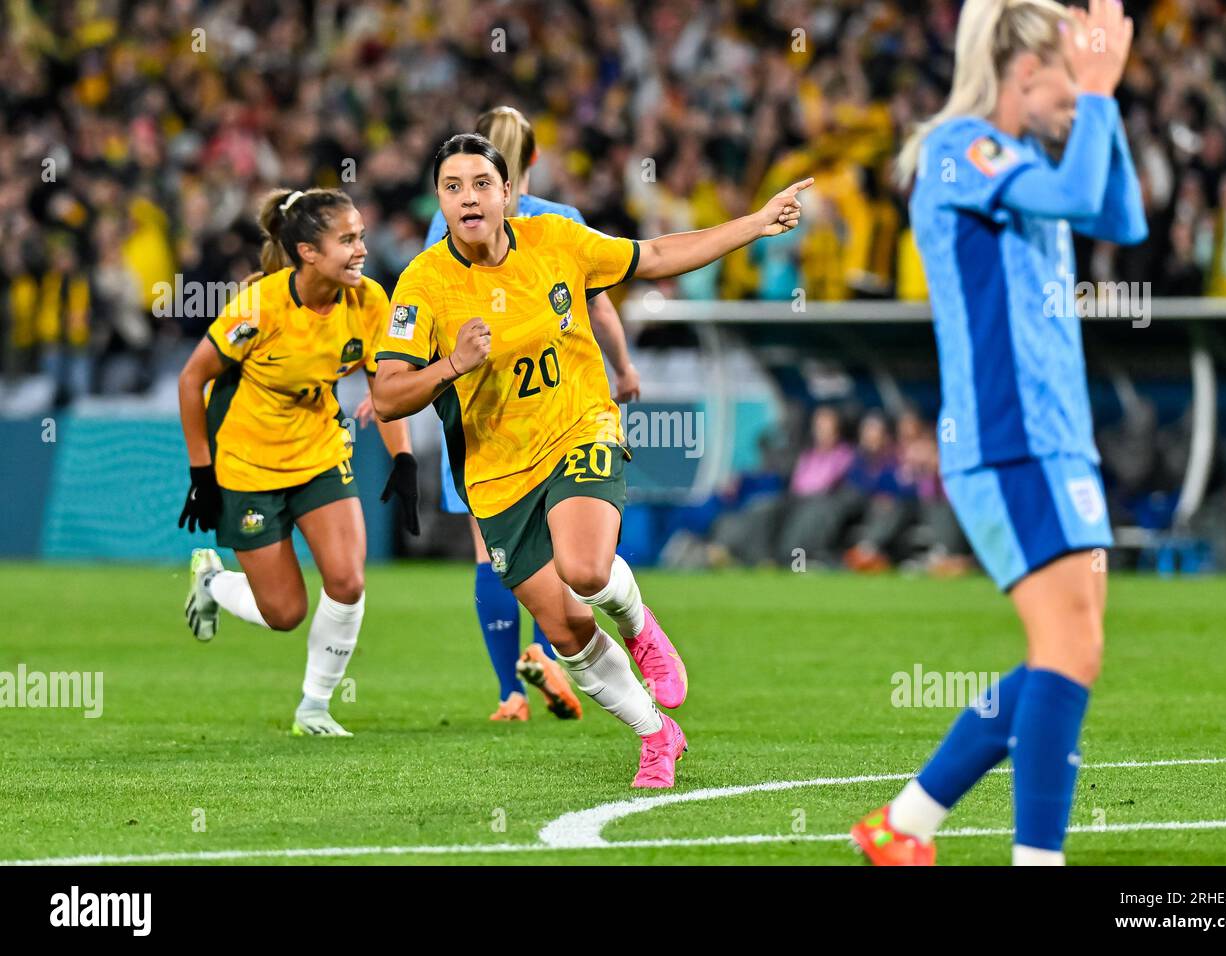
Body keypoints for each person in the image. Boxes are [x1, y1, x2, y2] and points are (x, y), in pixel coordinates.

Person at [371, 132, 810, 787]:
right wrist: (452, 364)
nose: (468, 198)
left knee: (584, 568)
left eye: (481, 184)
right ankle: (655, 734)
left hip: (580, 428)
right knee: (567, 631)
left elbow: (658, 254)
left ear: (509, 193)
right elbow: (385, 396)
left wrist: (755, 223)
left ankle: (639, 626)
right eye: (453, 187)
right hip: (496, 475)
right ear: (439, 200)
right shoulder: (422, 284)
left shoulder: (558, 242)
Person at [853, 0, 1146, 865]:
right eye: (1064, 78)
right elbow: (1079, 194)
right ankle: (1036, 860)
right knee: (1070, 646)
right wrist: (1097, 92)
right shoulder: (958, 151)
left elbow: (1120, 219)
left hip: (1056, 437)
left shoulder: (1023, 158)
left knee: (1069, 649)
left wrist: (1100, 96)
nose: (1075, 99)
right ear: (1024, 73)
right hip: (1005, 439)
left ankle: (903, 825)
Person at [357, 105, 639, 723]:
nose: (466, 197)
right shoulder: (562, 221)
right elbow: (602, 308)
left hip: (482, 427)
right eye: (455, 186)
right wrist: (623, 369)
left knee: (494, 556)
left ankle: (510, 689)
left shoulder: (444, 226)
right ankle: (551, 649)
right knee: (571, 555)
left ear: (502, 179)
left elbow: (423, 327)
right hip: (554, 415)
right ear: (533, 160)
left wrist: (400, 387)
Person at [176, 187, 418, 737]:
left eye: (361, 236)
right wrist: (200, 473)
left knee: (348, 580)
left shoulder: (370, 301)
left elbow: (386, 391)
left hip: (318, 455)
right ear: (308, 252)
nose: (362, 249)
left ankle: (314, 707)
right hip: (246, 465)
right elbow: (192, 379)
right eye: (348, 240)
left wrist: (402, 458)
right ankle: (212, 583)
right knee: (284, 613)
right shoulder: (259, 307)